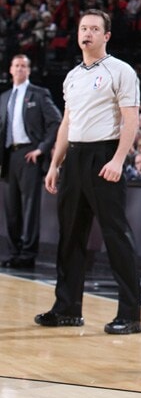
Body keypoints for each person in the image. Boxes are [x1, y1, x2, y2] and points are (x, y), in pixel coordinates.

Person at [34, 9, 141, 335]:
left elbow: (131, 119)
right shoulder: (72, 76)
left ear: (106, 36)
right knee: (70, 236)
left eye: (95, 28)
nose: (88, 33)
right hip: (75, 158)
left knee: (116, 236)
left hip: (104, 156)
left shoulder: (120, 71)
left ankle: (130, 314)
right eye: (84, 28)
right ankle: (67, 308)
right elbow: (67, 123)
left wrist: (118, 159)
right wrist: (55, 164)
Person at [1, 54, 62, 269]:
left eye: (23, 66)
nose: (19, 69)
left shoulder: (39, 93)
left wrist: (42, 148)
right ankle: (14, 252)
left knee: (29, 207)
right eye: (16, 65)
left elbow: (56, 121)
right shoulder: (5, 97)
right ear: (10, 69)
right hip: (9, 155)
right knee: (11, 207)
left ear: (28, 70)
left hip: (30, 154)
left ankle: (27, 254)